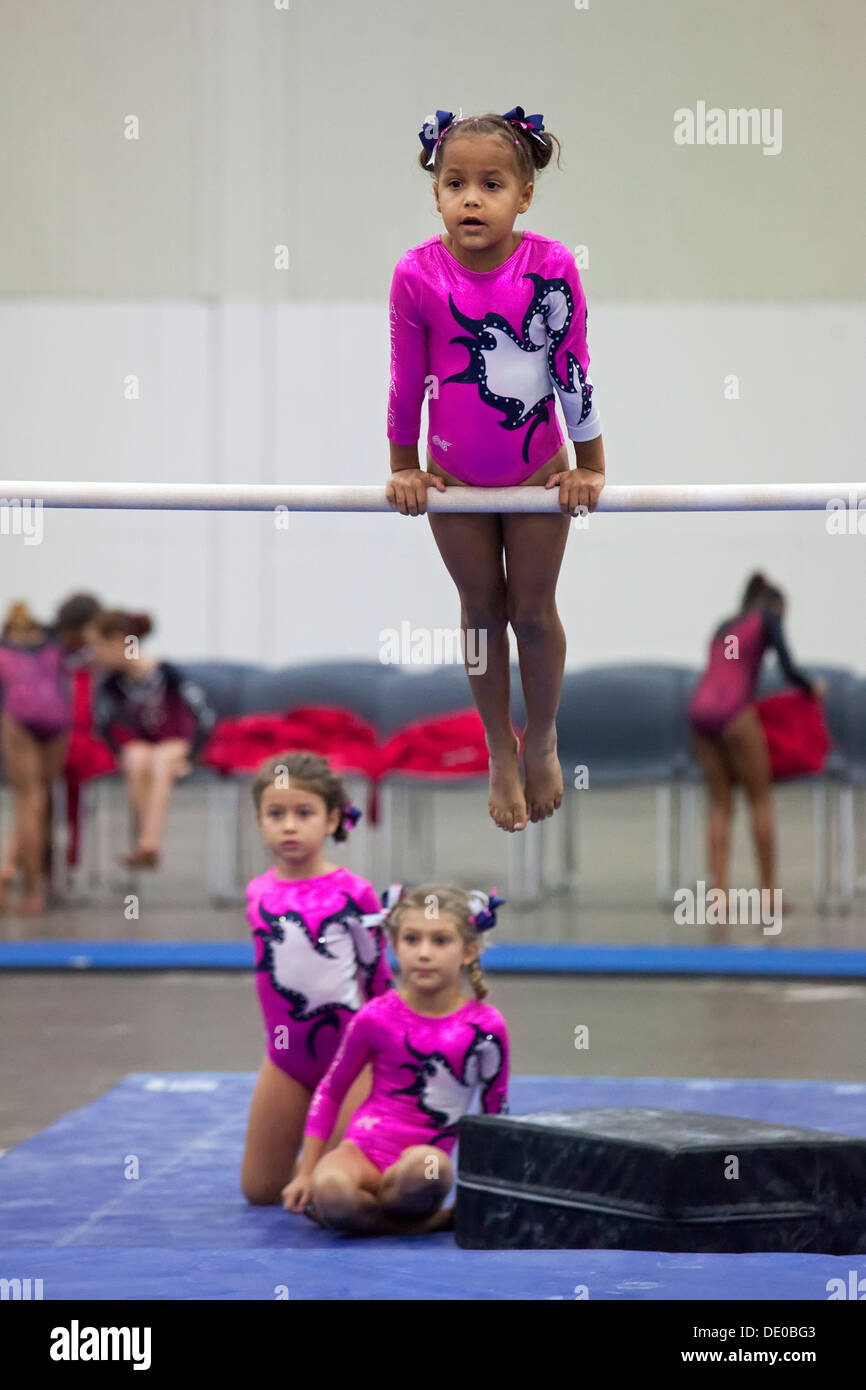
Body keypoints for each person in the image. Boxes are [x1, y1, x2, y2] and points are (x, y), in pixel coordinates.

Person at [386, 106, 606, 833]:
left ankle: (540, 737)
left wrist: (590, 465)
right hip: (454, 482)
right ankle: (497, 749)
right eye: (455, 183)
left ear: (524, 196)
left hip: (540, 471)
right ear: (436, 193)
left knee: (531, 614)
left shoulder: (550, 265)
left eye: (490, 183)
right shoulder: (416, 274)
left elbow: (571, 368)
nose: (471, 198)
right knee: (482, 612)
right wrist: (405, 467)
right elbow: (404, 379)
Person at [282, 882, 510, 1235]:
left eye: (440, 941)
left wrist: (492, 1188)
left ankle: (362, 1218)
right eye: (412, 939)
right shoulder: (376, 1017)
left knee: (431, 1170)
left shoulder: (485, 1027)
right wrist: (307, 1171)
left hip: (421, 1161)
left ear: (468, 950)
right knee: (330, 1189)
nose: (423, 953)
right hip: (363, 1150)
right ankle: (423, 1225)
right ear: (394, 945)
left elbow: (495, 1111)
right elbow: (331, 1090)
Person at [241, 751, 394, 1205]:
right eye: (276, 814)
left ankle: (373, 1157)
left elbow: (379, 979)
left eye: (304, 813)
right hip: (286, 1058)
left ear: (331, 820)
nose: (289, 825)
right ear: (259, 821)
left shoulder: (355, 892)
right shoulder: (257, 892)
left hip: (353, 1059)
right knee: (260, 1191)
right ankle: (315, 1148)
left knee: (331, 1195)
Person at [688, 572, 822, 907]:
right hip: (735, 714)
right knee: (759, 801)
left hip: (700, 712)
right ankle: (768, 897)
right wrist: (811, 687)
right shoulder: (768, 616)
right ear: (776, 605)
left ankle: (718, 896)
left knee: (720, 805)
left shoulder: (723, 625)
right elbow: (788, 666)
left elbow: (720, 671)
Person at [86, 608, 216, 868]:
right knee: (136, 756)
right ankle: (145, 842)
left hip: (177, 745)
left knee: (161, 757)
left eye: (97, 647)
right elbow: (104, 726)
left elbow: (205, 717)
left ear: (119, 641)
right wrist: (117, 754)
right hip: (144, 747)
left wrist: (191, 757)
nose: (94, 656)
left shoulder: (168, 673)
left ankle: (149, 842)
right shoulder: (110, 683)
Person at [0, 602, 74, 914]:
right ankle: (33, 882)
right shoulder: (55, 647)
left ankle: (22, 881)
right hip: (56, 720)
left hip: (18, 720)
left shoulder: (4, 653)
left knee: (29, 800)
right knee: (40, 799)